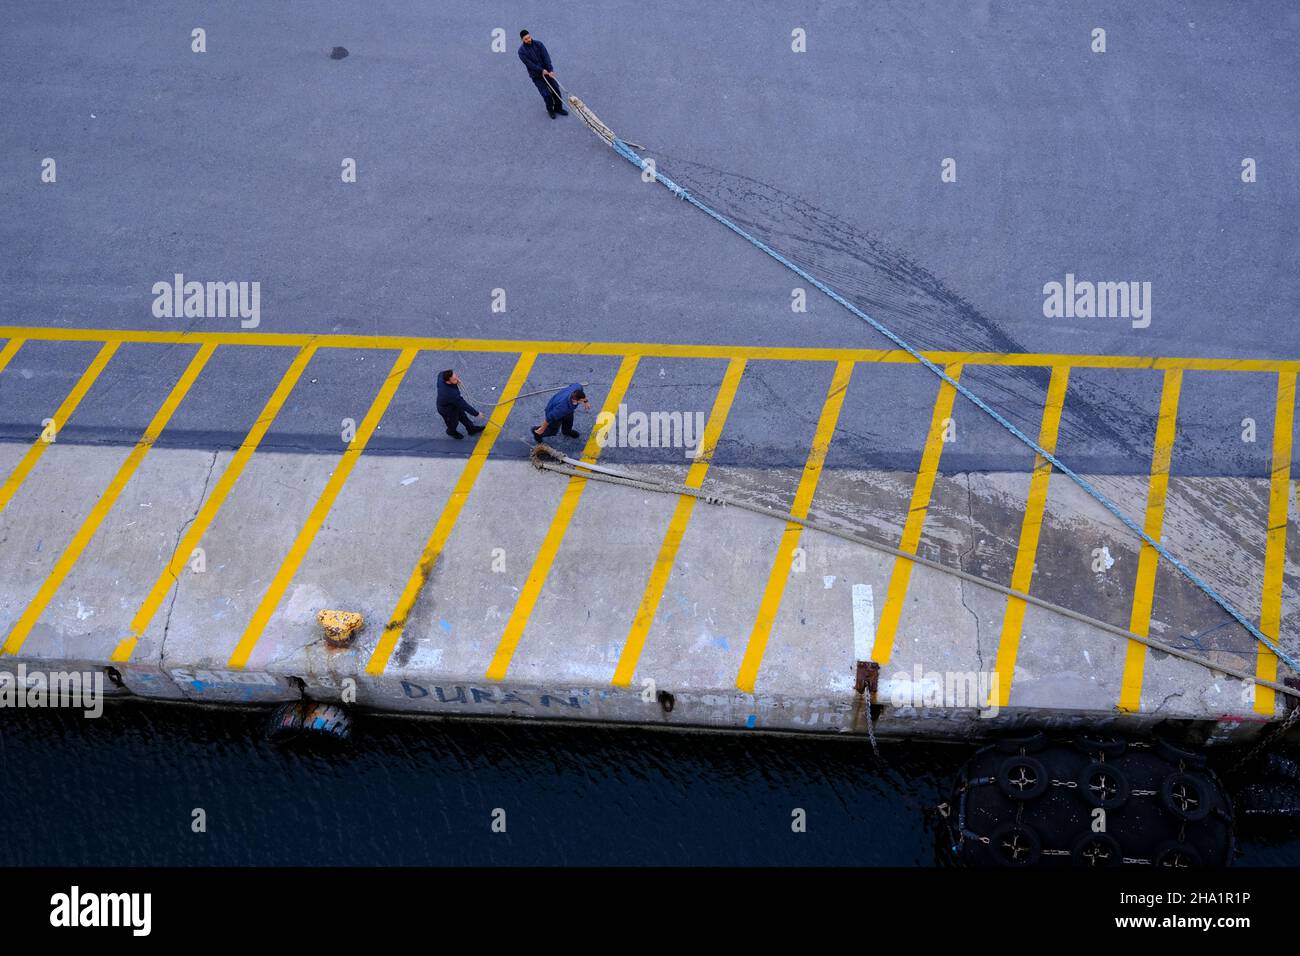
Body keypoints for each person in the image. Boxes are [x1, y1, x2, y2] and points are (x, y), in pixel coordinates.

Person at [517, 29, 568, 118]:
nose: (528, 40)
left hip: (547, 72)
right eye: (526, 39)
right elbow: (529, 64)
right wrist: (541, 70)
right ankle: (550, 110)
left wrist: (550, 70)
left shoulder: (539, 44)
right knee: (546, 95)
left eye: (529, 37)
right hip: (537, 76)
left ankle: (558, 108)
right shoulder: (521, 52)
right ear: (522, 40)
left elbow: (546, 57)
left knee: (556, 90)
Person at [437, 369, 485, 440]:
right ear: (448, 381)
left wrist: (455, 381)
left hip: (454, 405)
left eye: (455, 375)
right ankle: (451, 432)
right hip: (447, 410)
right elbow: (464, 405)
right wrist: (477, 414)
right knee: (453, 423)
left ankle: (471, 429)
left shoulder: (441, 376)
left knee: (463, 416)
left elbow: (440, 373)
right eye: (454, 379)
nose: (457, 378)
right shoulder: (451, 394)